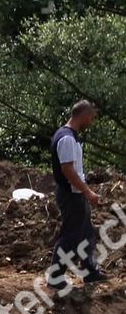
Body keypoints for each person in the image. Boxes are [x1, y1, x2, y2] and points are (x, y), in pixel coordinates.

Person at [49, 99, 107, 289]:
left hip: (76, 193)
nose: (91, 121)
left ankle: (90, 271)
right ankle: (56, 277)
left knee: (87, 233)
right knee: (71, 236)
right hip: (71, 194)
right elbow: (68, 169)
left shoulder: (70, 136)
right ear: (83, 115)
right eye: (90, 117)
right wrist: (87, 191)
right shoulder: (66, 138)